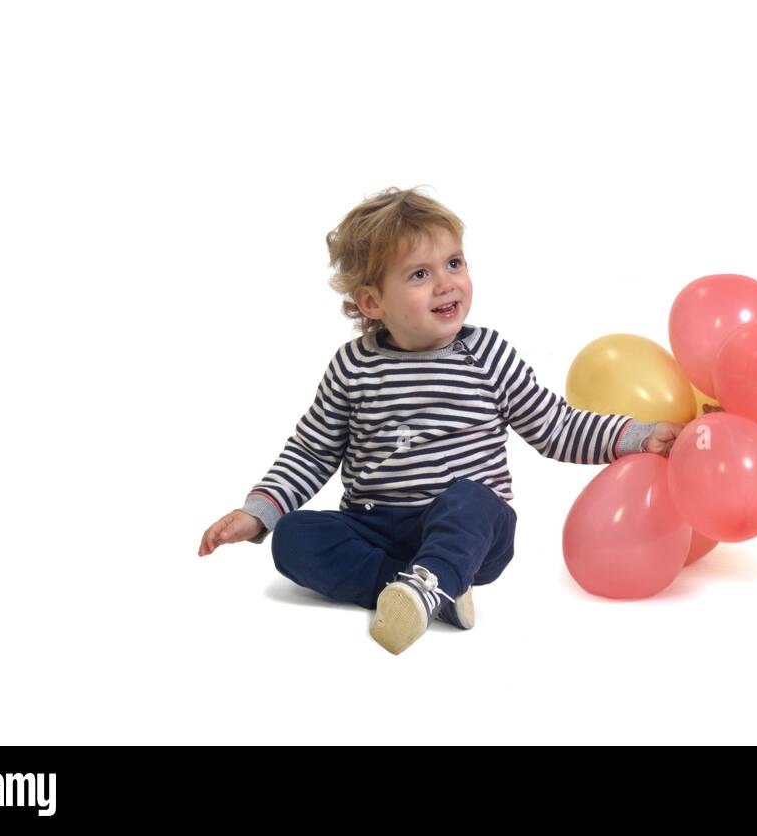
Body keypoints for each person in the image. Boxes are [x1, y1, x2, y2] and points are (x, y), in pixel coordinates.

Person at [198, 186, 683, 654]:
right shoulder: (354, 366)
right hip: (374, 525)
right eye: (419, 275)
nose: (447, 282)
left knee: (470, 496)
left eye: (454, 263)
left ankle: (433, 580)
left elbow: (554, 426)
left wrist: (636, 437)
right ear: (372, 302)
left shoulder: (487, 354)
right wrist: (258, 511)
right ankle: (425, 591)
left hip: (472, 529)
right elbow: (311, 450)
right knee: (293, 538)